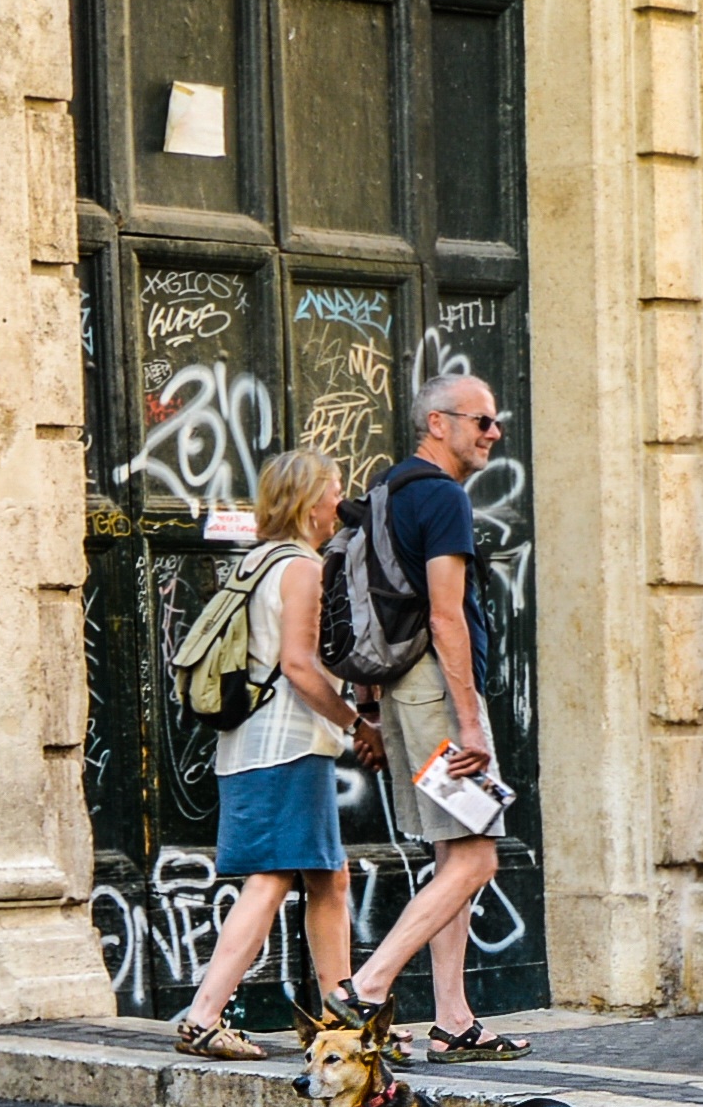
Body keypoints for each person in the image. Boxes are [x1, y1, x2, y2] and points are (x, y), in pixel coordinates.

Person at [336, 373, 531, 1062]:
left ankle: (453, 1019)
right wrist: (470, 721)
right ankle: (366, 985)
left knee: (455, 852)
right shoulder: (443, 497)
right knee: (478, 854)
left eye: (494, 421)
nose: (494, 434)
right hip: (436, 694)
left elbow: (367, 604)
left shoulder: (384, 491)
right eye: (482, 421)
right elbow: (445, 616)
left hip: (397, 692)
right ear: (439, 423)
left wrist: (367, 709)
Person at [172, 452, 369, 1059]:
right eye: (335, 490)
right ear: (311, 502)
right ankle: (204, 1014)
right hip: (288, 744)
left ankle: (344, 1013)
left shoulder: (257, 561)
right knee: (274, 876)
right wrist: (358, 724)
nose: (341, 500)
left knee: (326, 876)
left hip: (250, 745)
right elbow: (299, 668)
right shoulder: (303, 568)